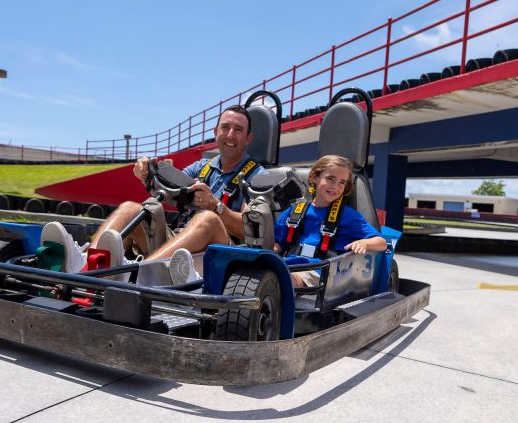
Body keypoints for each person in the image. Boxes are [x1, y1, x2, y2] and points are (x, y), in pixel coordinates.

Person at [40, 105, 268, 284]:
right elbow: (170, 185)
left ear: (248, 139)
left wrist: (216, 206)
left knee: (208, 219)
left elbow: (253, 231)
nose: (230, 135)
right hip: (177, 246)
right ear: (215, 132)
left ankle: (140, 275)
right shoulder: (202, 167)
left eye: (238, 130)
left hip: (221, 254)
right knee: (131, 208)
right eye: (225, 127)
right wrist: (148, 172)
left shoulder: (257, 177)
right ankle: (87, 265)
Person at [273, 155, 387, 288]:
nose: (335, 187)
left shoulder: (348, 216)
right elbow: (278, 244)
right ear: (315, 177)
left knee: (284, 280)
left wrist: (363, 243)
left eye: (342, 182)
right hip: (287, 265)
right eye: (330, 179)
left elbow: (382, 243)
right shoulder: (294, 211)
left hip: (321, 273)